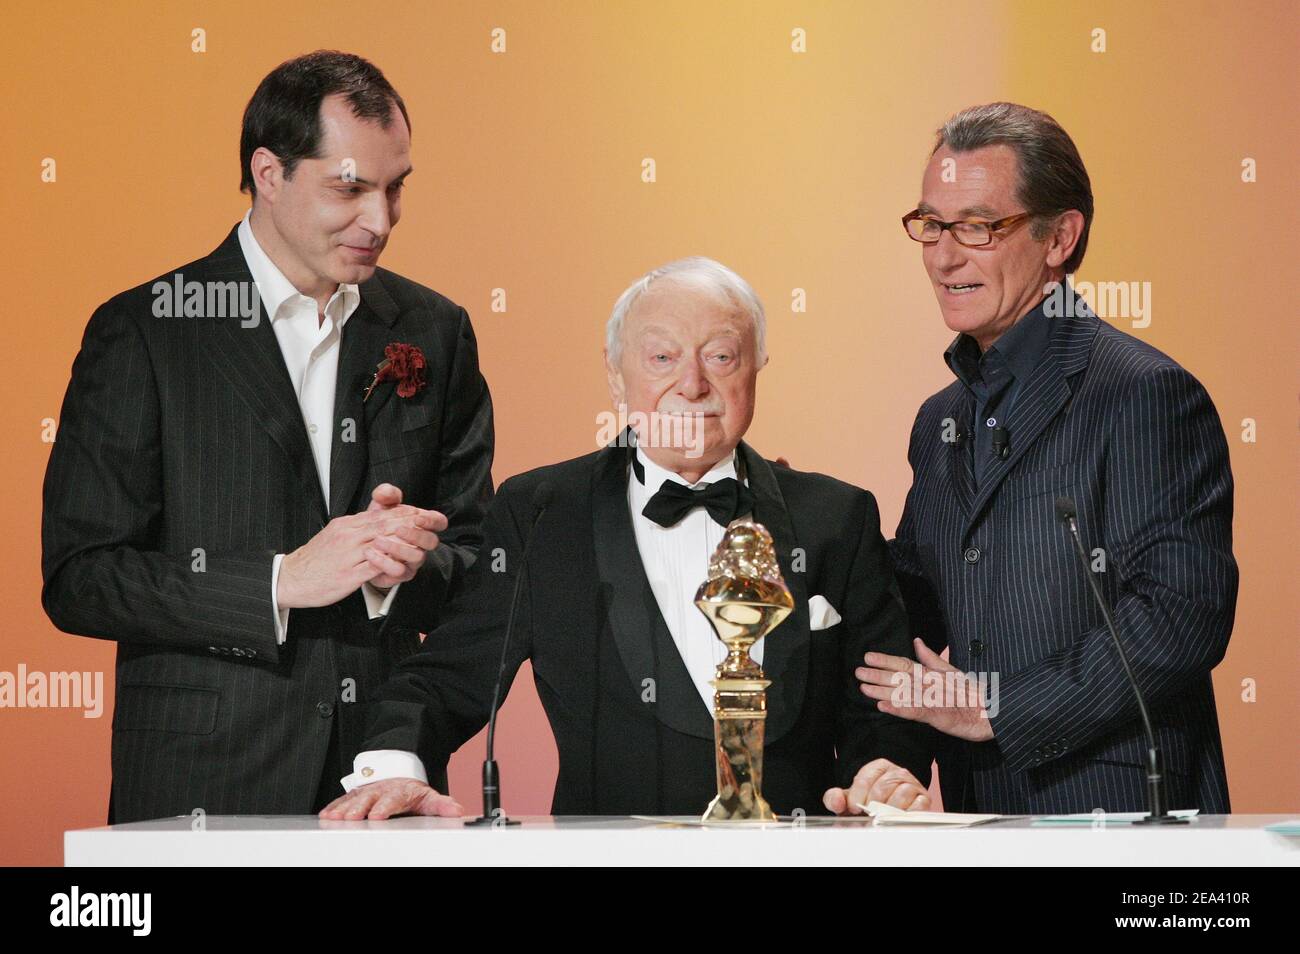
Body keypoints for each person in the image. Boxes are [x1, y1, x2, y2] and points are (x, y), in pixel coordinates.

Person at [41, 50, 494, 822]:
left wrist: (399, 567)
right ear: (269, 173)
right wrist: (282, 582)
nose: (379, 221)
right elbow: (82, 577)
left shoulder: (436, 331)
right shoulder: (146, 332)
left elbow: (481, 564)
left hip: (384, 785)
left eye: (395, 189)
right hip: (202, 788)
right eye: (350, 188)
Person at [320, 257, 934, 820]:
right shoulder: (541, 513)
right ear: (616, 377)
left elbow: (884, 694)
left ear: (756, 370)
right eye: (661, 359)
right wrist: (393, 767)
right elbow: (450, 674)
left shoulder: (838, 515)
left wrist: (884, 771)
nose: (692, 385)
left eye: (720, 357)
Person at [862, 102, 1236, 814]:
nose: (944, 255)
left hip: (1119, 813)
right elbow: (913, 604)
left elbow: (1180, 614)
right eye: (932, 225)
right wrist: (805, 533)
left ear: (1060, 235)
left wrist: (999, 708)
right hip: (975, 811)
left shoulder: (1145, 394)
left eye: (978, 226)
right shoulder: (939, 419)